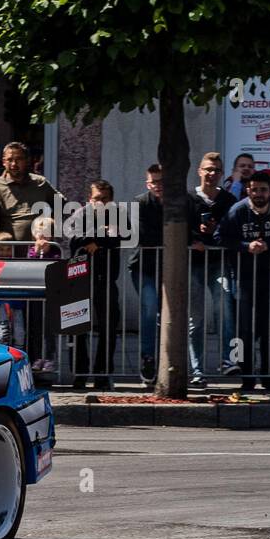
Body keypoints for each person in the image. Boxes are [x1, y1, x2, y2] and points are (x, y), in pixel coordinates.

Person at [217, 170, 270, 393]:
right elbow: (221, 236)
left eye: (263, 190)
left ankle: (269, 376)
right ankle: (247, 377)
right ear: (248, 190)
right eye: (254, 189)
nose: (258, 194)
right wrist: (246, 246)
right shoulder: (238, 211)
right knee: (244, 330)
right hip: (245, 279)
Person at [186, 152, 239, 387]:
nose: (211, 174)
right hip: (193, 264)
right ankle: (197, 370)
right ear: (199, 171)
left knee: (227, 309)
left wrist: (216, 232)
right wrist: (192, 238)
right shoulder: (187, 198)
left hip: (219, 263)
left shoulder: (227, 200)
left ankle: (231, 360)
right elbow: (178, 228)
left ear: (221, 174)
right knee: (195, 320)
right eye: (208, 169)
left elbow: (233, 233)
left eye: (216, 170)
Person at [68, 180, 123, 389]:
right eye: (96, 199)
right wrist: (102, 233)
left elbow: (120, 237)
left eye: (105, 199)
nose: (100, 203)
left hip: (106, 279)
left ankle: (103, 374)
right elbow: (75, 239)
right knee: (78, 328)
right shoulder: (80, 215)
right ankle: (79, 373)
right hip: (80, 279)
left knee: (108, 327)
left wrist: (96, 240)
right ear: (89, 199)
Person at [0, 141, 62, 257]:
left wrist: (50, 226)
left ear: (27, 161)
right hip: (8, 252)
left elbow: (62, 205)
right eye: (9, 159)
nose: (13, 164)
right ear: (3, 162)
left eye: (18, 159)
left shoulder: (40, 183)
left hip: (38, 252)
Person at [128, 164, 164, 383]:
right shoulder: (140, 202)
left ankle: (170, 360)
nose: (158, 186)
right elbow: (142, 234)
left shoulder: (179, 201)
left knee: (170, 316)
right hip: (144, 266)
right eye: (154, 182)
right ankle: (148, 357)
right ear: (148, 183)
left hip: (170, 267)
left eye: (162, 181)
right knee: (150, 309)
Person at [25, 215, 62, 373]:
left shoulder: (55, 250)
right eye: (39, 231)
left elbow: (55, 265)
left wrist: (46, 252)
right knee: (35, 327)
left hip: (49, 295)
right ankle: (36, 357)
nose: (42, 235)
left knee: (49, 330)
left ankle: (49, 358)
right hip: (35, 295)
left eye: (46, 232)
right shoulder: (32, 249)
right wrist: (37, 251)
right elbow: (28, 264)